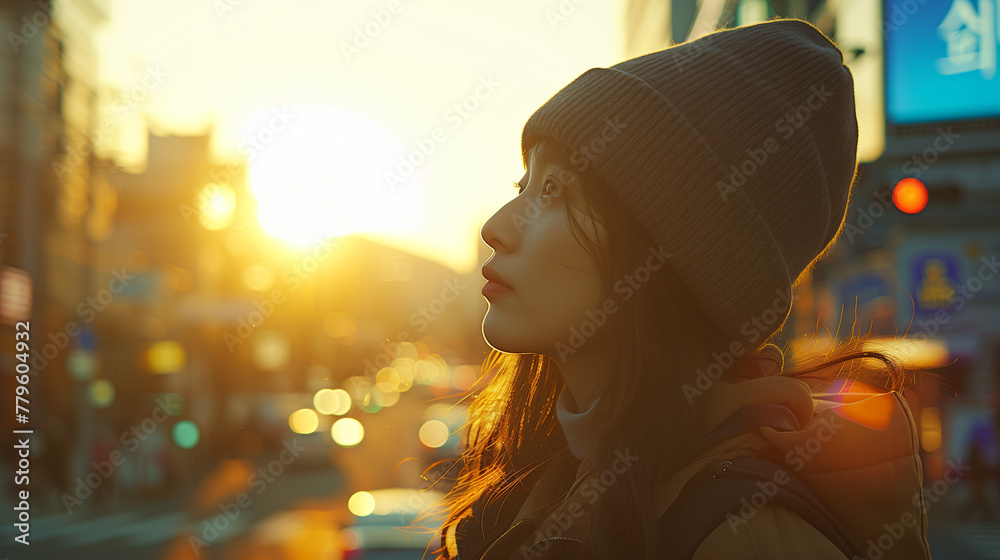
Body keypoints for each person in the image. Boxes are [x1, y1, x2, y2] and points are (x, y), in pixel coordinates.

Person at [423, 18, 933, 560]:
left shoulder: (740, 536)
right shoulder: (554, 477)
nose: (496, 226)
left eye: (554, 190)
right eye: (522, 185)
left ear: (668, 256)